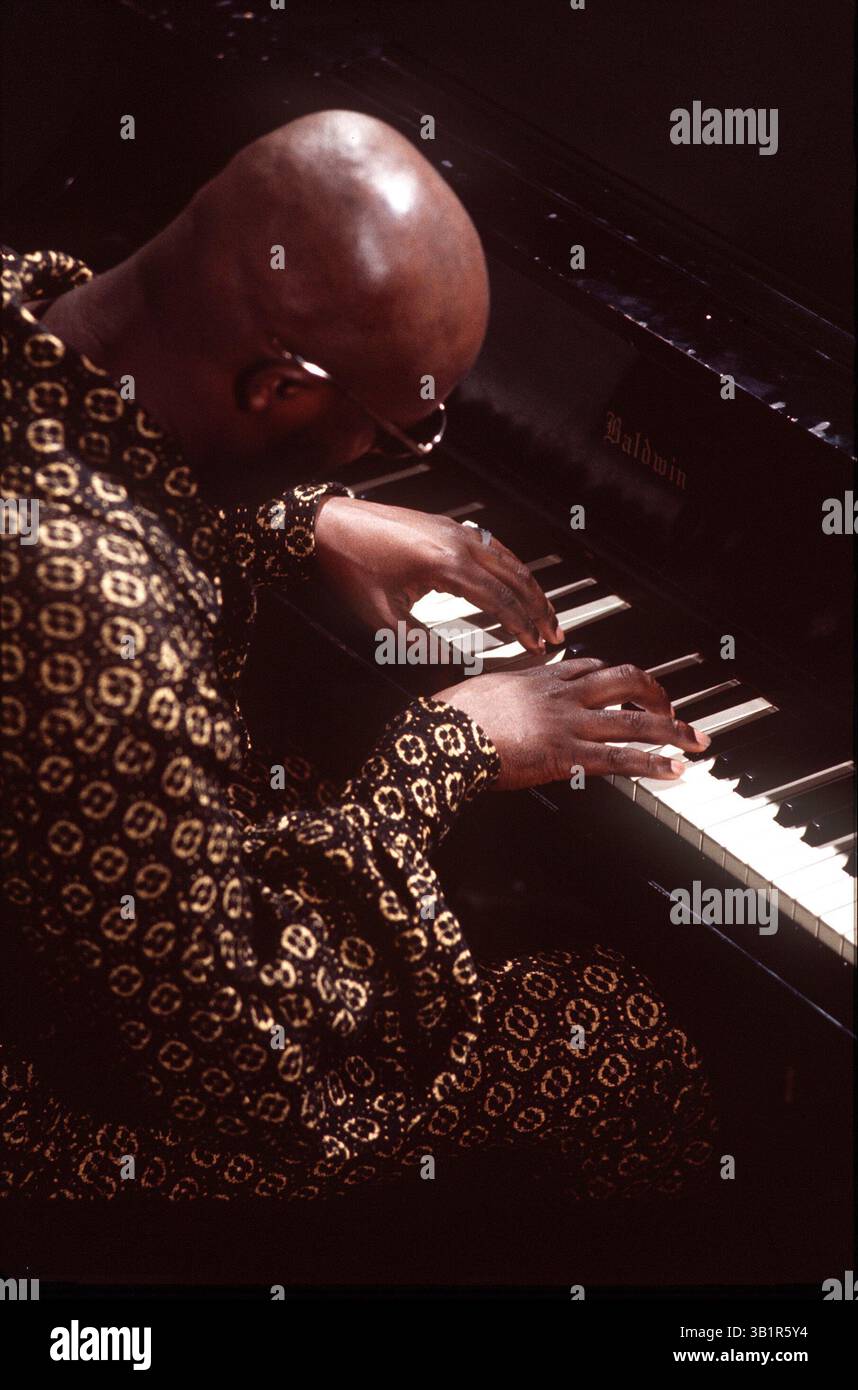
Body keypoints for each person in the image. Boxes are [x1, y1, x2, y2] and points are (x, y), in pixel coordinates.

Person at [0, 110, 714, 1203]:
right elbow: (250, 1070)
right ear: (276, 387)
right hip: (55, 1109)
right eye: (397, 437)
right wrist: (448, 749)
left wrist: (307, 515)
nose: (395, 460)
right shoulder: (109, 635)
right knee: (612, 1030)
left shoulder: (26, 311)